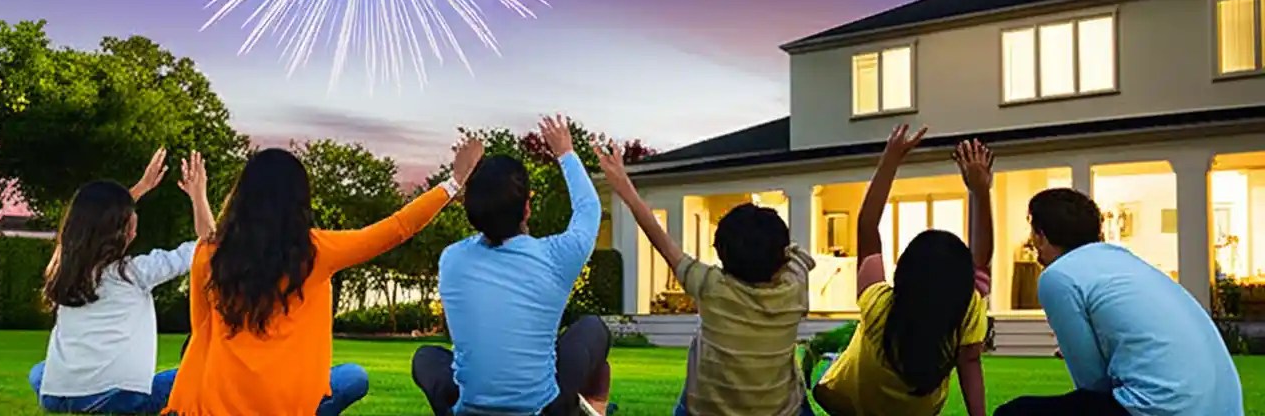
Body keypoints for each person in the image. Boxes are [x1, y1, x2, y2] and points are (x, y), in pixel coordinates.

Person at [164, 138, 482, 416]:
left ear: (242, 195)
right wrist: (454, 182)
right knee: (352, 377)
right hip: (287, 405)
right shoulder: (316, 251)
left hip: (211, 403)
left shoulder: (209, 255)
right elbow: (396, 228)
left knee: (350, 377)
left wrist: (199, 199)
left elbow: (200, 329)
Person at [601, 132, 815, 416]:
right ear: (781, 256)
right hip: (779, 413)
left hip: (705, 412)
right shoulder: (795, 288)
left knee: (693, 372)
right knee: (797, 390)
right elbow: (798, 257)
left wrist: (626, 189)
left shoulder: (711, 286)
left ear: (722, 255)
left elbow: (659, 238)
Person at [413, 115, 612, 416]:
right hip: (542, 409)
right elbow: (589, 208)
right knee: (593, 328)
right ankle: (593, 409)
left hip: (469, 407)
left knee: (426, 358)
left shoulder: (452, 259)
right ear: (527, 208)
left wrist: (457, 179)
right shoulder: (556, 258)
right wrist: (565, 152)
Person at [994, 188, 1244, 416]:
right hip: (1226, 406)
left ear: (1040, 236)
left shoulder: (1058, 276)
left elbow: (1092, 385)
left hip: (1163, 407)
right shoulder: (1125, 261)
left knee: (1014, 413)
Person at [813, 127, 993, 416]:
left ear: (903, 274)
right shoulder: (966, 310)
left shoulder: (877, 305)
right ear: (963, 282)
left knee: (832, 360)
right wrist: (980, 191)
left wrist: (891, 159)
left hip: (849, 405)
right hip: (919, 411)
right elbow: (970, 363)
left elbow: (867, 227)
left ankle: (829, 360)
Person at [29, 149, 213, 415]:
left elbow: (90, 223)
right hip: (118, 399)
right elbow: (208, 247)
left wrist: (139, 189)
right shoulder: (135, 273)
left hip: (57, 395)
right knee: (197, 373)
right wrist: (199, 196)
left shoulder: (64, 270)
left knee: (40, 372)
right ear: (126, 228)